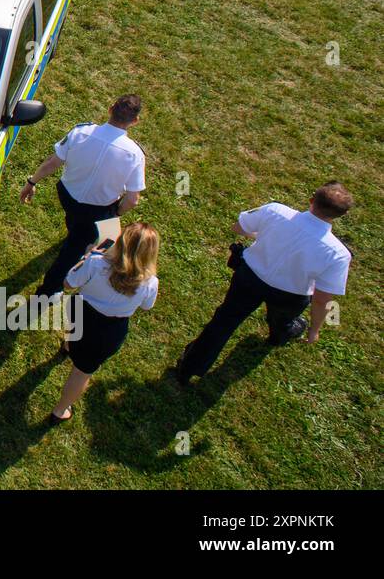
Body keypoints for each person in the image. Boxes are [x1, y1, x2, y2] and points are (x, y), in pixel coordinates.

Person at [174, 182, 353, 383]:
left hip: (249, 279)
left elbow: (239, 227)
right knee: (282, 320)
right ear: (341, 216)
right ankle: (279, 335)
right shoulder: (338, 254)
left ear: (311, 200)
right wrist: (314, 330)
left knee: (223, 322)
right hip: (290, 295)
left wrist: (263, 236)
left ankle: (188, 368)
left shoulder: (276, 211)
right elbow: (322, 299)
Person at [21, 94, 146, 299]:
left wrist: (32, 182)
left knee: (83, 228)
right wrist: (114, 213)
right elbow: (133, 199)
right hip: (97, 210)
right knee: (102, 242)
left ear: (110, 108)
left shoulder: (80, 132)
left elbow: (53, 162)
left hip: (67, 195)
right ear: (135, 121)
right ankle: (49, 291)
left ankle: (80, 235)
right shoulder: (134, 154)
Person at [49, 222, 160, 424]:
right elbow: (146, 307)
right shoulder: (150, 283)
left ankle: (67, 346)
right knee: (82, 373)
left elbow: (68, 283)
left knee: (73, 329)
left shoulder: (96, 262)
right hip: (108, 332)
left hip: (81, 311)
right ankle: (60, 410)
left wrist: (86, 257)